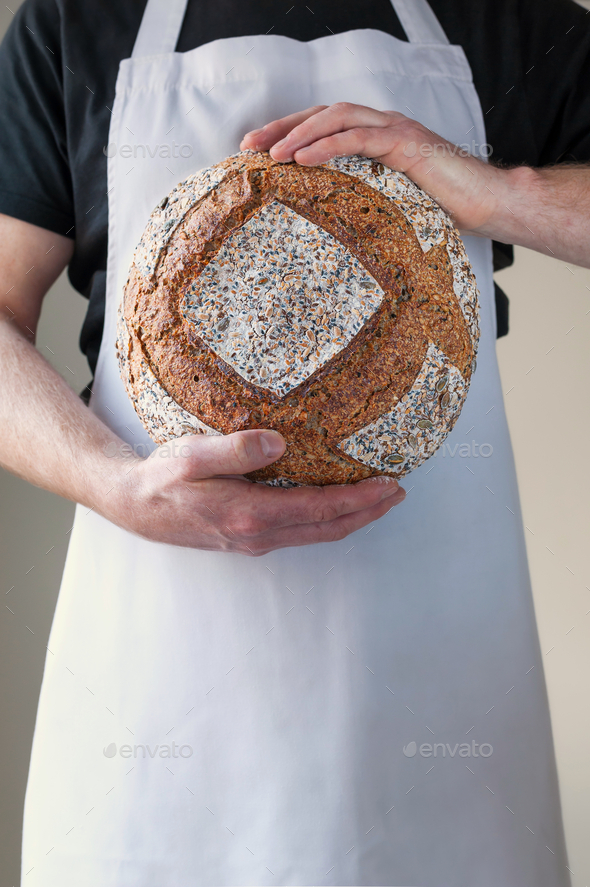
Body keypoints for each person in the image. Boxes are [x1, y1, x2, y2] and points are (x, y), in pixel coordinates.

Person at [0, 0, 589, 884]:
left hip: (436, 672)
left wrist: (500, 193)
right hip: (156, 677)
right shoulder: (73, 25)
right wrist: (113, 481)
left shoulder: (509, 18)